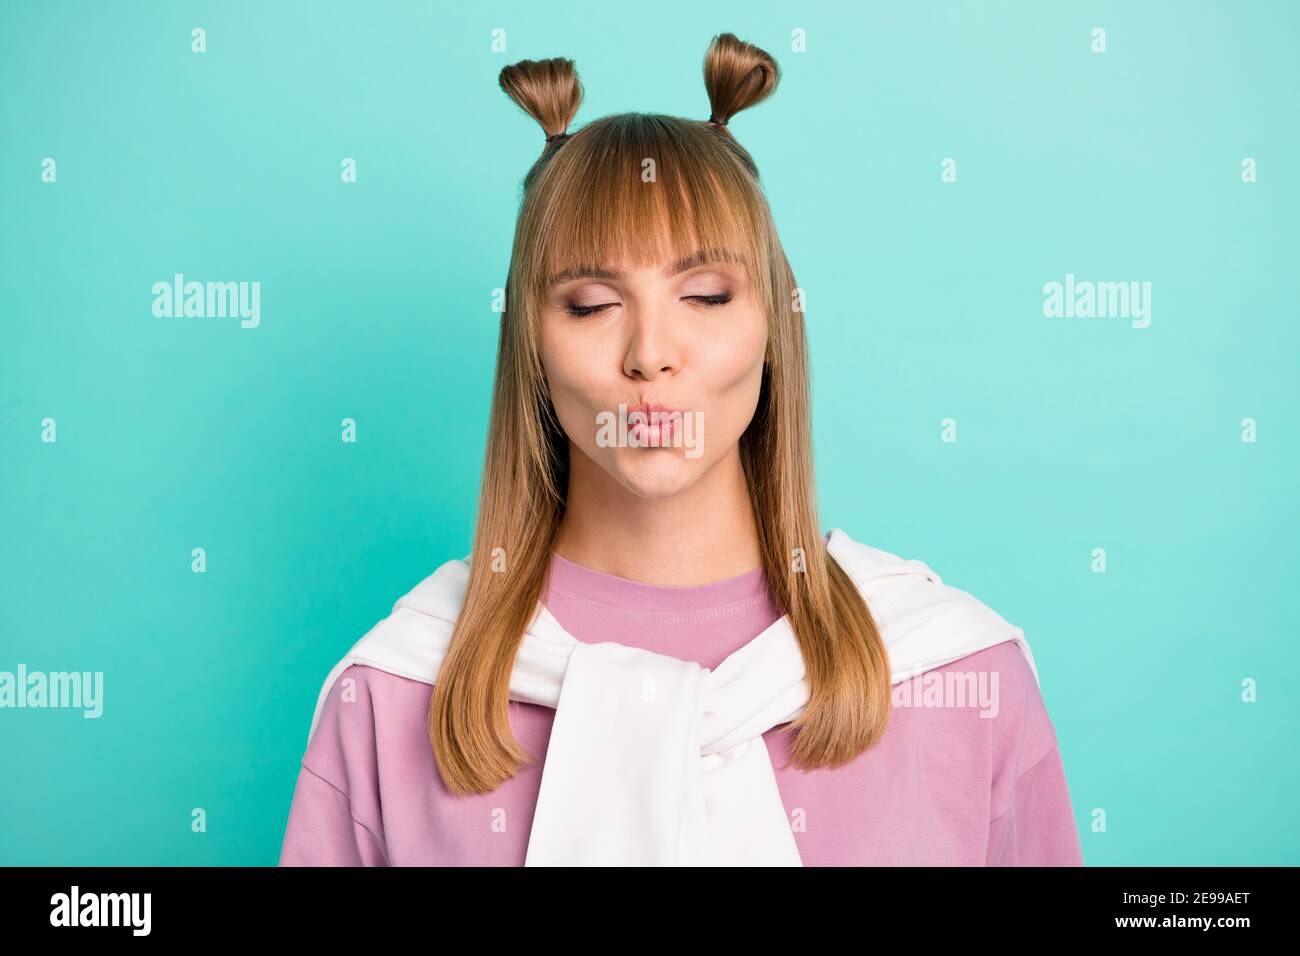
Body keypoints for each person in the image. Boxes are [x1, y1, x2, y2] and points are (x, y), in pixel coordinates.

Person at [279, 32, 1084, 867]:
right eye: (591, 304)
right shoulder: (392, 694)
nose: (651, 353)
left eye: (704, 295)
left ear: (773, 328)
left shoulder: (960, 673)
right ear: (531, 345)